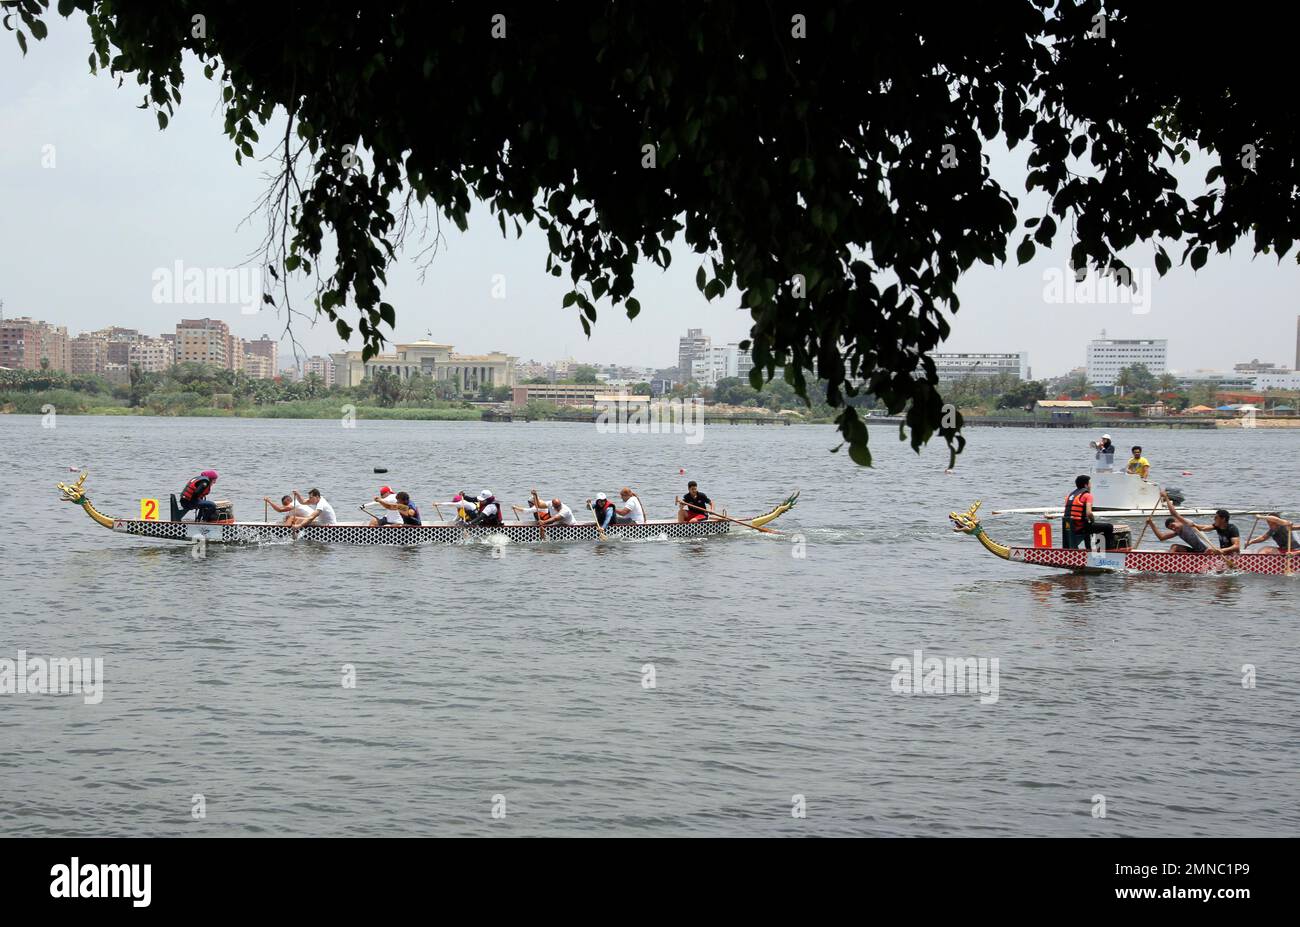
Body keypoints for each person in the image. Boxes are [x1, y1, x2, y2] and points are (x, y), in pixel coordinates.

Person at [1161, 492, 1239, 556]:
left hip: (1233, 555)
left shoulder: (1232, 528)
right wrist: (1194, 525)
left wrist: (1166, 498)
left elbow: (1236, 546)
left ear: (1223, 519)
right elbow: (1203, 528)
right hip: (1222, 553)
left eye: (1216, 518)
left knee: (1210, 551)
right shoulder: (1217, 526)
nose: (1214, 519)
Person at [1062, 474, 1115, 550]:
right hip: (1080, 527)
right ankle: (1107, 551)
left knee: (1089, 525)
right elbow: (1089, 513)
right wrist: (1093, 520)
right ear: (1086, 485)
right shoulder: (1087, 495)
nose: (1091, 486)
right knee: (1108, 527)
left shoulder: (1069, 496)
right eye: (1090, 484)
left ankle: (1089, 549)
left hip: (1069, 527)